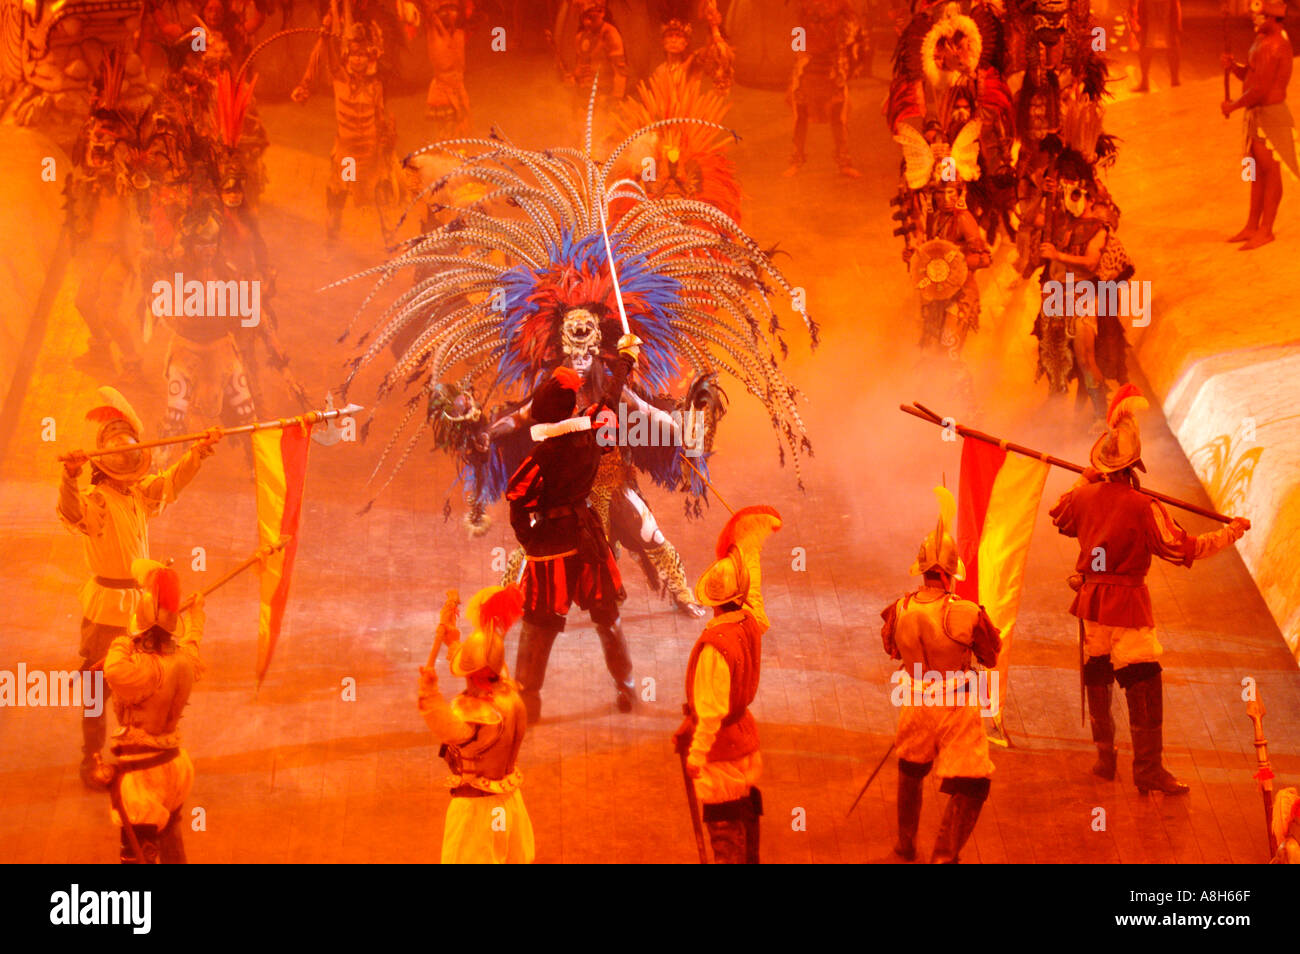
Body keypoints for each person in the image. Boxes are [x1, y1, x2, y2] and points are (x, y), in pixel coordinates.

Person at [1050, 385, 1251, 794]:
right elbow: (1184, 548)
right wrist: (1231, 533)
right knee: (1143, 681)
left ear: (1101, 464)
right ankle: (1147, 771)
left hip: (1092, 604)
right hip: (1127, 605)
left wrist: (1084, 480)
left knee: (1099, 674)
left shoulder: (1083, 497)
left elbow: (1061, 515)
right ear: (1134, 465)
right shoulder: (1144, 508)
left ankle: (1106, 761)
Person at [58, 387, 221, 790]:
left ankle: (137, 749)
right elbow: (72, 512)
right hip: (105, 609)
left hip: (138, 607)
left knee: (143, 681)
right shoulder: (95, 499)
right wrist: (70, 476)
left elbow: (169, 483)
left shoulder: (136, 494)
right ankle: (91, 756)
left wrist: (198, 451)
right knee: (98, 687)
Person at [506, 340, 640, 722]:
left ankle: (527, 702)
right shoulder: (591, 437)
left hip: (552, 547)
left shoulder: (542, 455)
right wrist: (626, 361)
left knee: (538, 626)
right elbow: (609, 404)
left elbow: (518, 499)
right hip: (588, 538)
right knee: (608, 619)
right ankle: (626, 687)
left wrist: (528, 538)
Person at [881, 487, 1001, 863]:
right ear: (951, 572)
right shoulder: (966, 611)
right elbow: (991, 656)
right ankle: (944, 857)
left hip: (914, 700)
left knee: (911, 767)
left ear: (921, 568)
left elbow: (892, 650)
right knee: (973, 783)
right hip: (954, 706)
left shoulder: (899, 607)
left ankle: (905, 843)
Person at [674, 505, 781, 863]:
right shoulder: (749, 623)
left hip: (720, 752)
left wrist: (696, 754)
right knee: (744, 811)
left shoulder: (715, 646)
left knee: (726, 829)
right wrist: (748, 548)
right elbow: (756, 598)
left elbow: (712, 708)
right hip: (745, 740)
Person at [418, 586, 535, 864]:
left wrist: (429, 693)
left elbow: (447, 727)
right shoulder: (509, 693)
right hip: (509, 803)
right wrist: (454, 641)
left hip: (476, 812)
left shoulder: (474, 710)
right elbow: (482, 657)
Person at [102, 560, 204, 863]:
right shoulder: (185, 660)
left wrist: (122, 640)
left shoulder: (144, 669)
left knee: (137, 857)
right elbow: (193, 642)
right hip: (175, 765)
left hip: (144, 773)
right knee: (171, 842)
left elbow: (114, 670)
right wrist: (197, 615)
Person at [1221, 0, 1296, 251]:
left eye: (1260, 15)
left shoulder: (1274, 45)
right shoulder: (1261, 40)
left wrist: (1233, 106)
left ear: (1273, 18)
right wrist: (1234, 67)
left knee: (1269, 170)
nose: (1254, 19)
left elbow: (1261, 90)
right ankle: (1252, 224)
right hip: (1258, 115)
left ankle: (1266, 229)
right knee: (1255, 170)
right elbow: (1251, 76)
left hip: (1270, 116)